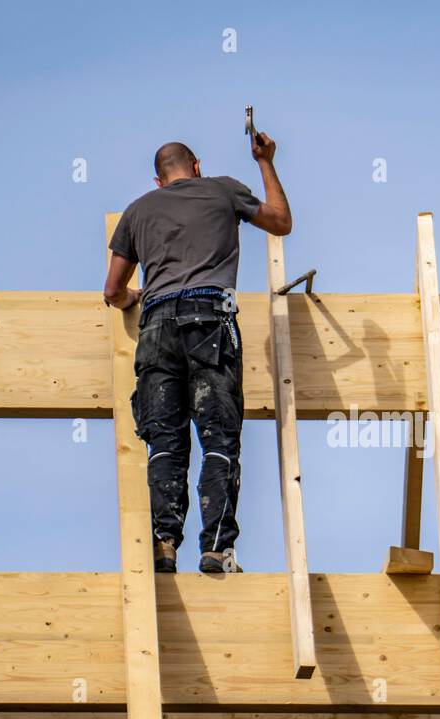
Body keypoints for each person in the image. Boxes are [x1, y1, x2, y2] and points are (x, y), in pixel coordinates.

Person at [103, 133, 291, 572]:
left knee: (166, 444)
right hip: (209, 321)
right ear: (197, 166)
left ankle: (164, 544)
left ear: (157, 180)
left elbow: (112, 290)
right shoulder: (223, 190)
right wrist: (265, 161)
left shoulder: (138, 211)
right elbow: (281, 221)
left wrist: (133, 299)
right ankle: (217, 549)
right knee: (219, 439)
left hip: (156, 328)